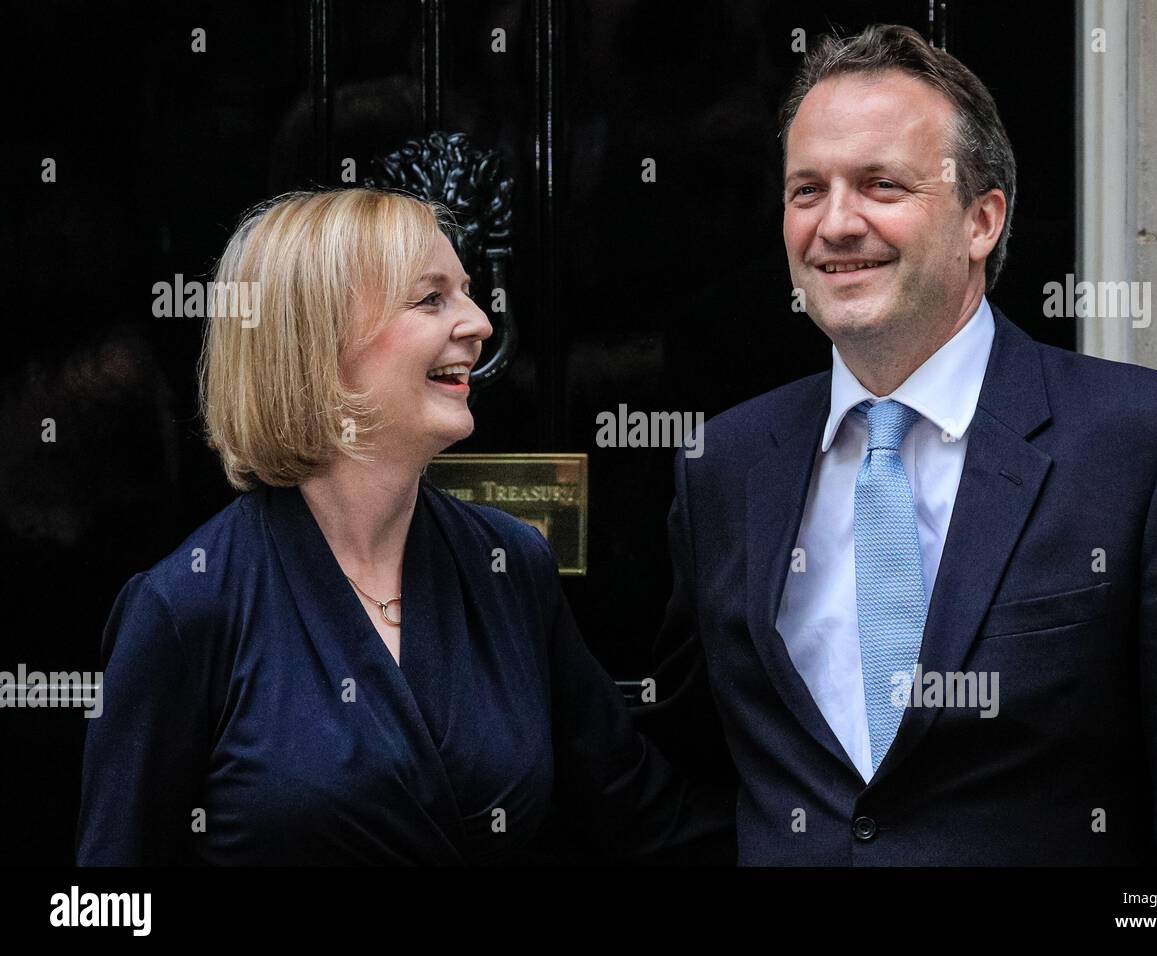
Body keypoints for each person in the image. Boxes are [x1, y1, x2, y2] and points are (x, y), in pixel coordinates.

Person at [649, 24, 1157, 865]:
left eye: (881, 184)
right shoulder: (725, 466)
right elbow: (695, 780)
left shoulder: (1145, 446)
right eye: (808, 190)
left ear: (982, 219)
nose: (836, 223)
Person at [76, 187, 733, 865]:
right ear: (316, 342)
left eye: (468, 292)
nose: (480, 322)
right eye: (432, 299)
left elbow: (642, 815)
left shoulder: (506, 565)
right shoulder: (188, 606)